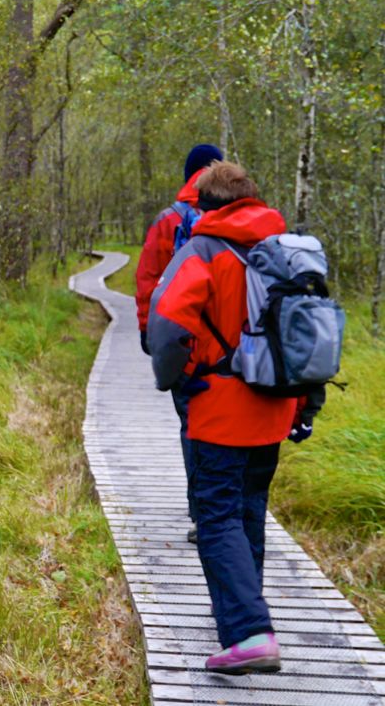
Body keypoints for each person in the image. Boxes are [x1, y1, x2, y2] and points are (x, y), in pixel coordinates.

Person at [147, 161, 322, 675]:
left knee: (217, 515)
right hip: (274, 409)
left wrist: (173, 378)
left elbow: (166, 324)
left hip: (219, 409)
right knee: (248, 511)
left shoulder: (201, 251)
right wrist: (305, 404)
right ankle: (244, 616)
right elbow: (311, 334)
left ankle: (248, 631)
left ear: (204, 204)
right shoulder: (286, 250)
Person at [135, 143, 223, 542]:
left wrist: (146, 331)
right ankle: (228, 512)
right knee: (231, 429)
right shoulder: (243, 214)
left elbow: (150, 281)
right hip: (238, 350)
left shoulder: (169, 220)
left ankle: (200, 511)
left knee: (194, 425)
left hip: (187, 346)